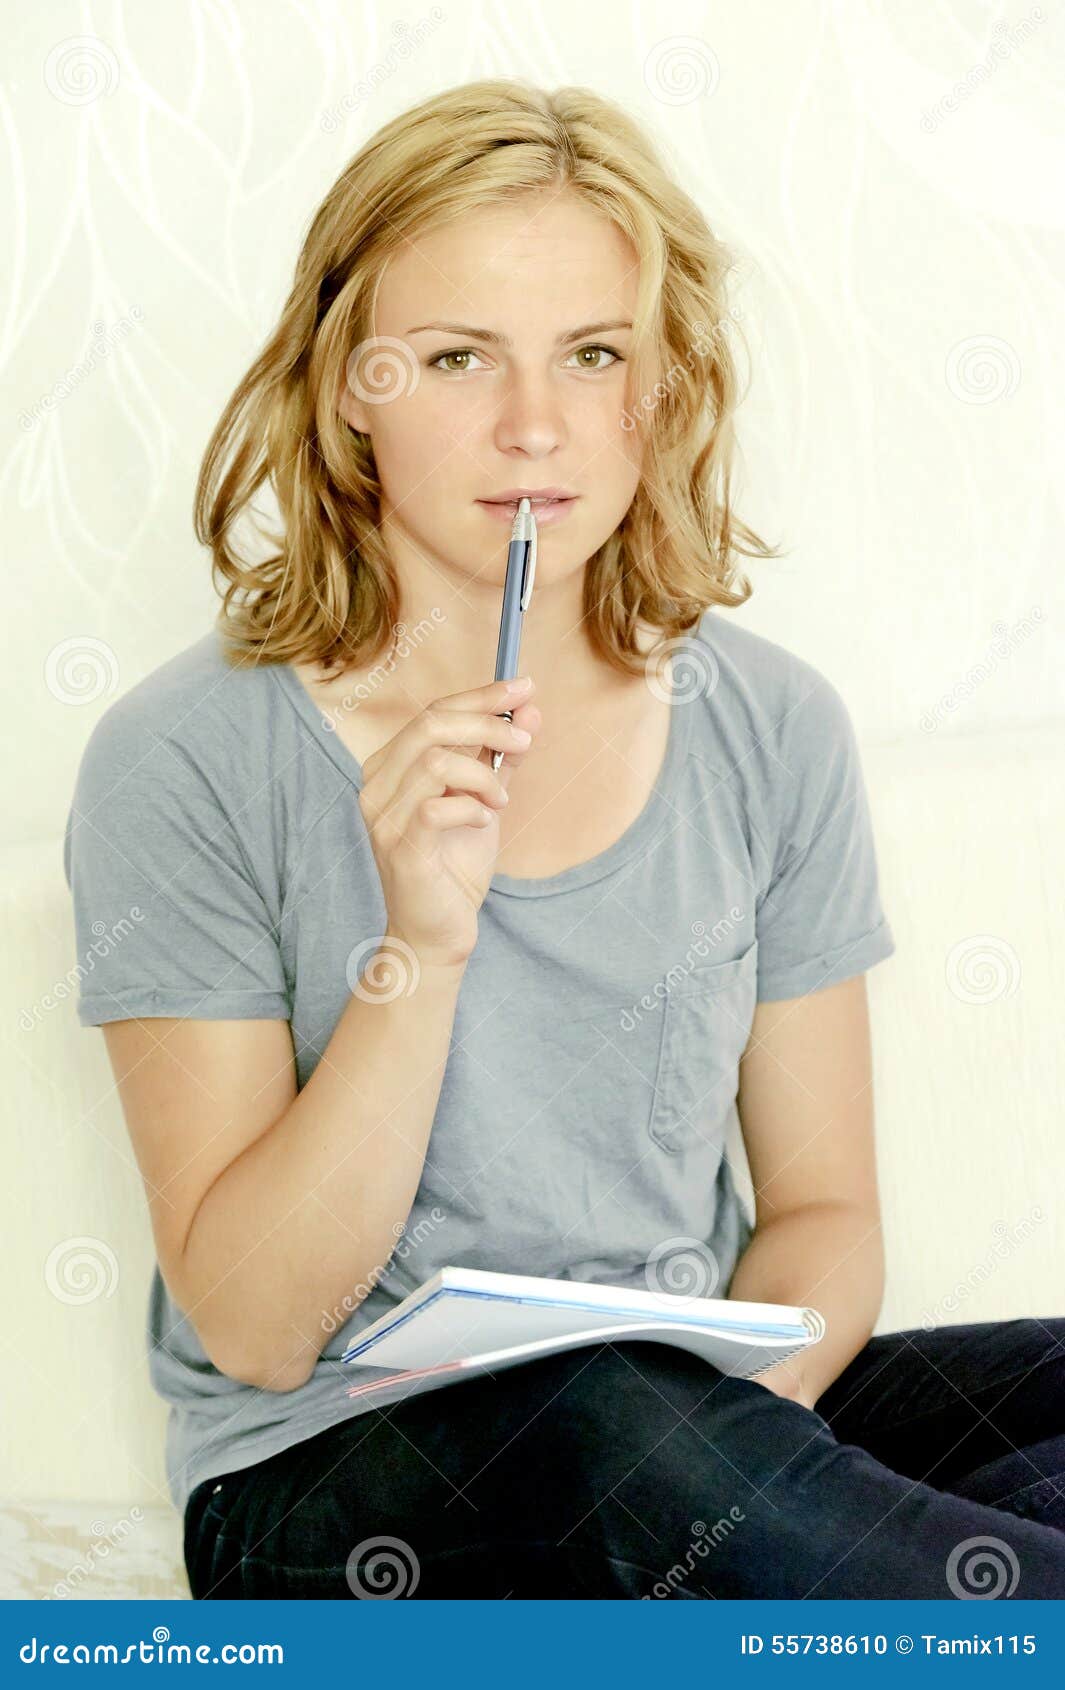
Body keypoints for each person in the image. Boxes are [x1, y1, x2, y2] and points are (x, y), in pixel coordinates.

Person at [63, 79, 1065, 1601]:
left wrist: (749, 1440)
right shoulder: (186, 753)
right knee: (616, 1423)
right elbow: (257, 1323)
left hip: (682, 1419)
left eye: (591, 355)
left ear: (652, 389)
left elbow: (820, 1214)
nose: (534, 426)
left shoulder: (767, 723)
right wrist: (422, 944)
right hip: (331, 1474)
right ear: (350, 382)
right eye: (457, 357)